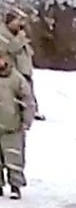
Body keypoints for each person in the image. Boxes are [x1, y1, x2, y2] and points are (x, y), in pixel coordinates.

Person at [0, 48, 36, 199]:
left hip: (12, 126)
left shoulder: (16, 78)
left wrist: (27, 120)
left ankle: (16, 186)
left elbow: (27, 100)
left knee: (14, 157)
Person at [0, 11, 42, 119]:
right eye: (16, 21)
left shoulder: (17, 33)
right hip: (13, 68)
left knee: (28, 91)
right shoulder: (3, 35)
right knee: (18, 92)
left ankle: (32, 111)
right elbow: (9, 49)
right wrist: (20, 38)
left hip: (24, 68)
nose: (19, 24)